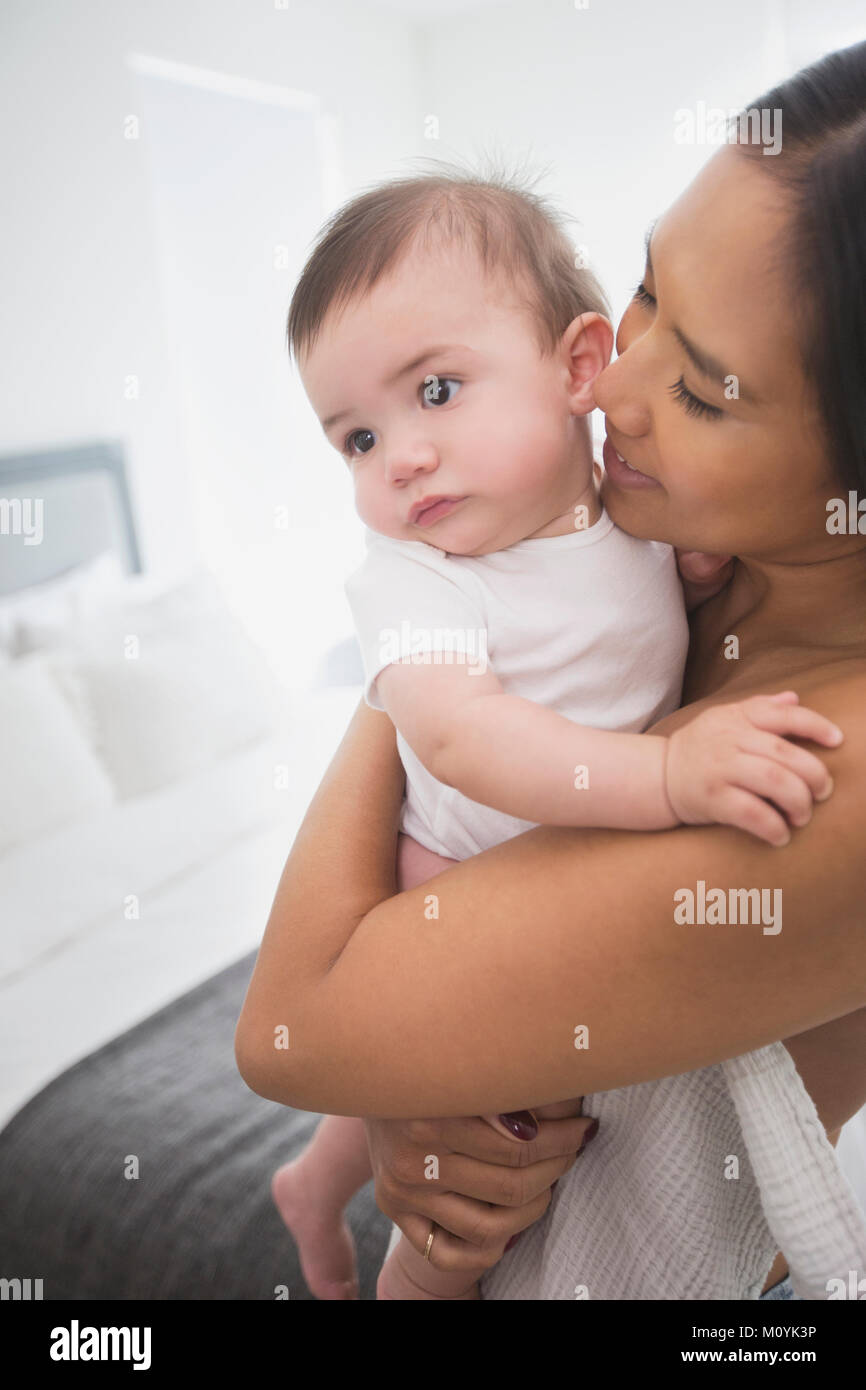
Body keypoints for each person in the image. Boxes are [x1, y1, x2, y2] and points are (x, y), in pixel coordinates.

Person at [235, 41, 866, 1299]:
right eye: (642, 288)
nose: (607, 382)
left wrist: (428, 655)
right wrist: (431, 636)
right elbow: (455, 758)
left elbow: (292, 1021)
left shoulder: (825, 776)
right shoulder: (696, 567)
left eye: (696, 387)